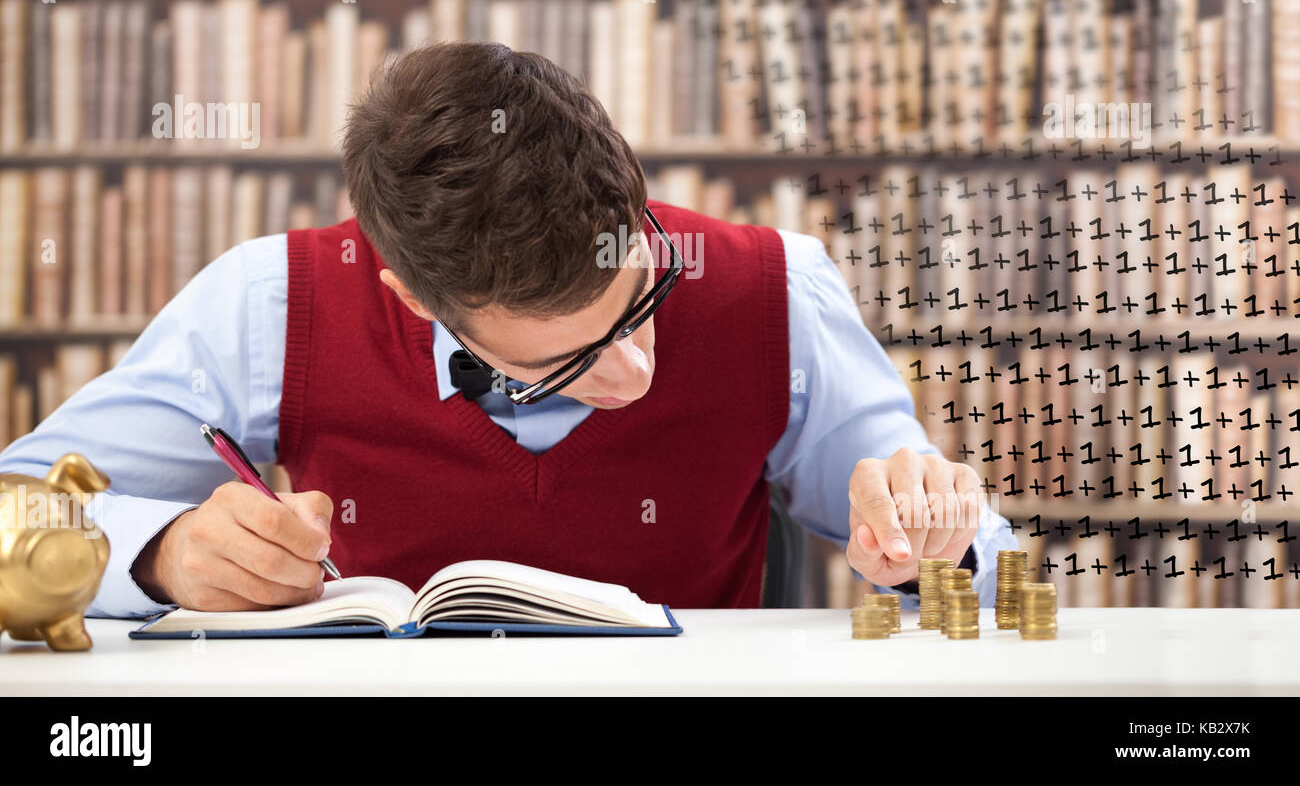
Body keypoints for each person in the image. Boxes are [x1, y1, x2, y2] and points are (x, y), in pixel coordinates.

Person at [0, 41, 1015, 618]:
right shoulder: (271, 301)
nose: (629, 372)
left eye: (643, 299)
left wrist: (938, 539)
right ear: (410, 297)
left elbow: (980, 560)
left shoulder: (775, 285)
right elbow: (15, 509)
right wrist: (160, 553)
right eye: (565, 359)